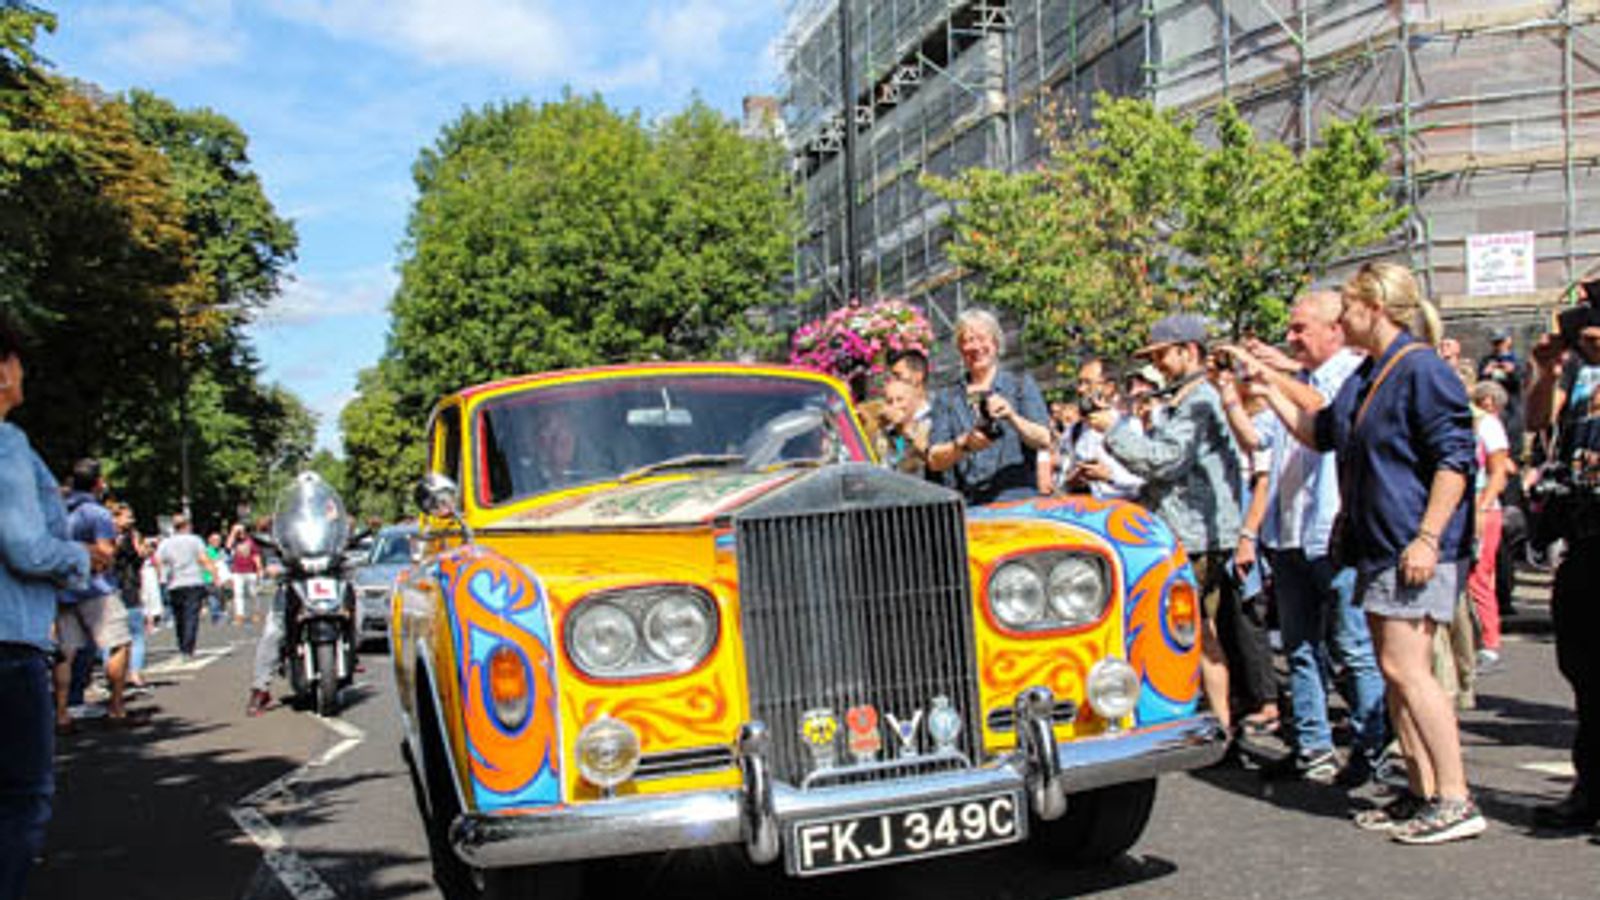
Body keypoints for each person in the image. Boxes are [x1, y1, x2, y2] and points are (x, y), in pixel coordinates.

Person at [1252, 262, 1483, 844]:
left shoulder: (1421, 370)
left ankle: (1454, 796)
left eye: (1348, 307)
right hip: (1378, 544)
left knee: (1409, 669)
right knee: (1393, 670)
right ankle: (1423, 790)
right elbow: (1320, 432)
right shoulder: (1368, 375)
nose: (1342, 316)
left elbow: (1456, 459)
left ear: (1373, 308)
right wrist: (1267, 386)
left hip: (1414, 544)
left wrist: (1428, 537)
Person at [1223, 291, 1388, 785]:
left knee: (1352, 647)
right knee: (1299, 648)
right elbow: (1258, 440)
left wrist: (1272, 374)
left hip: (1331, 537)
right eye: (1290, 330)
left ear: (1334, 329)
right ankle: (1312, 746)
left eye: (1300, 329)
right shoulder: (1299, 381)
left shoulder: (1348, 374)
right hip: (1289, 534)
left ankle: (1371, 747)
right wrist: (1233, 391)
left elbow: (1323, 413)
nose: (1290, 338)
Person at [1102, 313, 1260, 733]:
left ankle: (1218, 725)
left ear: (1188, 351)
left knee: (1195, 635)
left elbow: (1164, 461)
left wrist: (1114, 430)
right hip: (1183, 530)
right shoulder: (1182, 398)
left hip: (1195, 536)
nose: (1157, 366)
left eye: (1161, 356)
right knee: (1200, 633)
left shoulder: (1200, 400)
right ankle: (1217, 722)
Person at [0, 313, 100, 899]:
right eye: (15, 360)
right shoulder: (6, 443)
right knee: (20, 799)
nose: (23, 373)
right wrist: (84, 557)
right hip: (8, 645)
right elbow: (24, 546)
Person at [1523, 287, 1600, 831]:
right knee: (1583, 672)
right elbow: (1534, 420)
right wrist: (1548, 371)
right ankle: (1590, 790)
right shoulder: (1578, 373)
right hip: (1581, 536)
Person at [926, 309, 1053, 504]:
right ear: (960, 348)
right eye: (968, 340)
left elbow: (1044, 439)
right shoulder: (947, 398)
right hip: (969, 505)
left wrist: (1012, 417)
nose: (975, 346)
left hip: (1017, 502)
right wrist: (964, 444)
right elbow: (934, 460)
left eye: (982, 338)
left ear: (995, 343)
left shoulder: (1019, 385)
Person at [54, 458, 135, 731]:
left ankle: (62, 714)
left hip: (62, 587)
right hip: (94, 587)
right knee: (119, 642)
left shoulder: (54, 510)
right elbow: (105, 553)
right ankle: (116, 708)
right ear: (98, 483)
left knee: (65, 652)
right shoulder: (97, 513)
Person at [1467, 381, 1512, 674]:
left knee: (1478, 576)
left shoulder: (1487, 424)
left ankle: (1490, 643)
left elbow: (1502, 471)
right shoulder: (1456, 419)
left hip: (1484, 511)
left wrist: (1482, 506)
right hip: (1458, 509)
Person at [156, 514, 217, 660]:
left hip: (174, 583)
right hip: (193, 581)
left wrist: (162, 576)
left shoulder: (166, 543)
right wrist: (214, 574)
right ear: (187, 526)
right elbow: (203, 559)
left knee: (179, 616)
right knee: (191, 616)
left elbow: (158, 560)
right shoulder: (195, 540)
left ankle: (182, 645)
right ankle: (188, 648)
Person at [110, 502, 150, 690]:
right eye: (128, 517)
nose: (131, 520)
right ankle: (129, 673)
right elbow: (133, 559)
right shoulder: (123, 538)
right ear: (116, 517)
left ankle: (125, 673)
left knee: (118, 634)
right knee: (133, 633)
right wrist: (138, 548)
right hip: (123, 587)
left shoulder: (108, 536)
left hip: (123, 586)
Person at [1478, 327, 1524, 459]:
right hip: (1491, 410)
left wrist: (1512, 372)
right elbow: (1480, 386)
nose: (1498, 346)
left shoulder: (1516, 360)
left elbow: (1522, 381)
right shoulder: (1487, 361)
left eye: (1501, 342)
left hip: (1512, 409)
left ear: (1508, 341)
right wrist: (1485, 373)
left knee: (1512, 447)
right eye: (1495, 343)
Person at [226, 522, 263, 625]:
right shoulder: (234, 542)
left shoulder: (251, 541)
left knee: (253, 594)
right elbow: (228, 546)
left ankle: (256, 613)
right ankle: (239, 616)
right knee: (238, 594)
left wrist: (259, 569)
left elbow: (256, 556)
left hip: (251, 571)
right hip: (237, 571)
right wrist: (233, 532)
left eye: (241, 531)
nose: (239, 533)